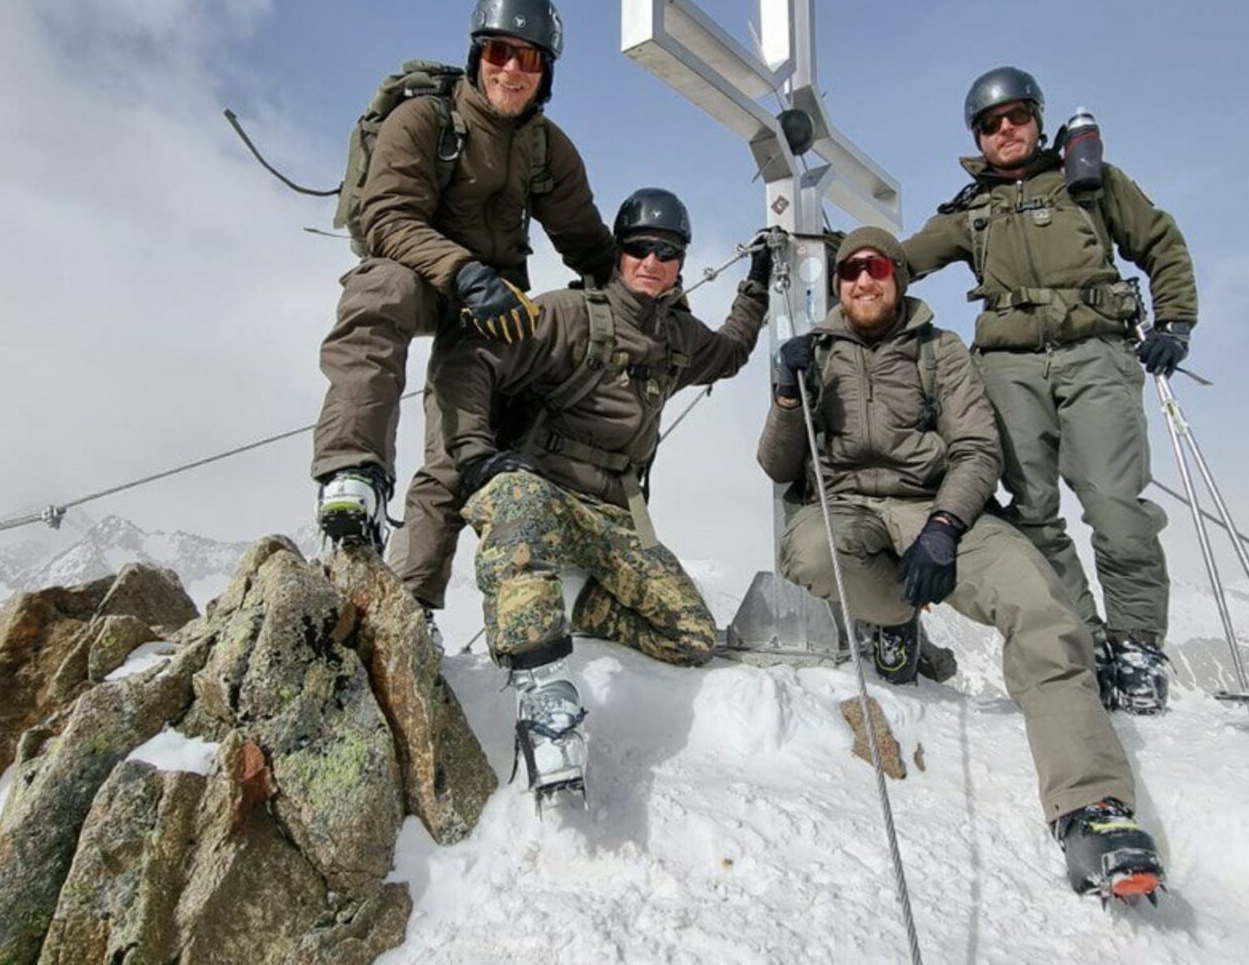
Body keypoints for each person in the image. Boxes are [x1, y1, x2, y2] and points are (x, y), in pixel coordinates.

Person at [760, 227, 1164, 900]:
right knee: (806, 548)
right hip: (851, 509)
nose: (865, 280)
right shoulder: (816, 358)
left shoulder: (938, 351)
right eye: (852, 270)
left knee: (1038, 601)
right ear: (838, 284)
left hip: (935, 506)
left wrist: (946, 526)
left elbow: (978, 448)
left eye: (878, 268)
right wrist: (784, 392)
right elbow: (778, 466)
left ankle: (1091, 807)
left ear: (899, 278)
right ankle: (892, 621)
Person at [443, 188, 772, 794]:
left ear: (679, 265)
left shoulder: (678, 338)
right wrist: (474, 454)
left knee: (691, 636)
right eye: (639, 248)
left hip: (614, 516)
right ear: (619, 255)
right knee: (516, 500)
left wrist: (756, 286)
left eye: (666, 252)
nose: (651, 261)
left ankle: (576, 607)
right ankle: (543, 696)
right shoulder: (572, 316)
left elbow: (729, 353)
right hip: (541, 490)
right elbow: (475, 358)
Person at [310, 0, 617, 626]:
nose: (512, 70)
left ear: (546, 72)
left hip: (493, 303)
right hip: (423, 274)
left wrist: (644, 293)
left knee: (459, 444)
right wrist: (459, 269)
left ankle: (413, 601)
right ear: (477, 53)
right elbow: (386, 216)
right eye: (500, 52)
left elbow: (586, 241)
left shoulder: (547, 149)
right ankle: (353, 474)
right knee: (377, 294)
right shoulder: (423, 119)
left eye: (529, 59)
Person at [900, 67, 1198, 714]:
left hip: (1096, 353)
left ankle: (1138, 648)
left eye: (1016, 118)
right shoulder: (970, 209)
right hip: (1009, 369)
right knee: (1031, 513)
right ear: (977, 136)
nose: (1005, 131)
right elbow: (903, 260)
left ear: (1037, 119)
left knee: (1117, 508)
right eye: (990, 124)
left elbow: (1160, 241)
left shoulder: (1086, 182)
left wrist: (1175, 321)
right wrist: (844, 253)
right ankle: (1087, 646)